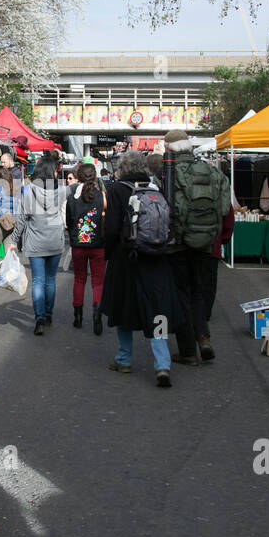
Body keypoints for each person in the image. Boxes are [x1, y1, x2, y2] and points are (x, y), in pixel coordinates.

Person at [99, 151, 182, 388]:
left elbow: (113, 227)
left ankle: (123, 358)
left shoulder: (116, 189)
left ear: (123, 167)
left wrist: (109, 253)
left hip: (125, 257)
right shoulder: (155, 188)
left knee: (124, 306)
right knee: (158, 309)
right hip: (156, 257)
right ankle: (163, 363)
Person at [162, 130, 232, 365]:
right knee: (198, 293)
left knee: (181, 295)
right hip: (205, 242)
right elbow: (224, 208)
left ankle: (188, 351)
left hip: (179, 243)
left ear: (169, 148)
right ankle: (203, 337)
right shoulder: (212, 171)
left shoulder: (170, 172)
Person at [10, 156, 71, 335]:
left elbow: (21, 218)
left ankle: (39, 319)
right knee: (50, 280)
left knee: (38, 281)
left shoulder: (28, 190)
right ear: (52, 171)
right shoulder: (60, 190)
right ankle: (49, 314)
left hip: (35, 242)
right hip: (54, 240)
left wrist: (13, 240)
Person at [66, 162, 107, 334]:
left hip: (78, 245)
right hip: (98, 244)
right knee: (98, 282)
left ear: (79, 177)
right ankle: (97, 314)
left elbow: (69, 222)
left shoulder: (72, 198)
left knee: (79, 279)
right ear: (95, 177)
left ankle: (78, 316)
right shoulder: (101, 196)